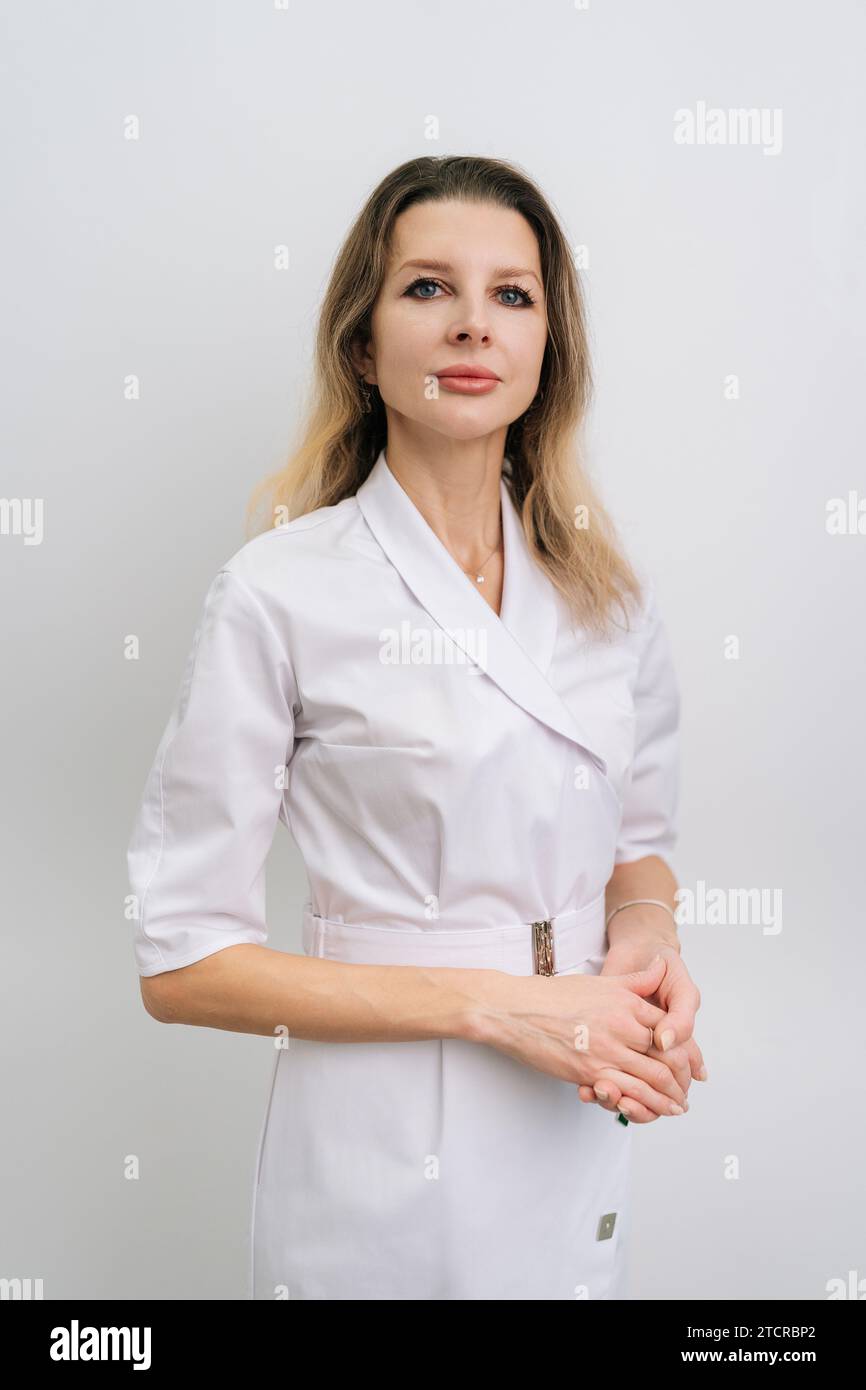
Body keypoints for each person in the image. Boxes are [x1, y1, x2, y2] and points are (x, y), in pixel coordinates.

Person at [126, 154, 705, 1301]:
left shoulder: (606, 600)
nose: (471, 326)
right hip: (378, 1141)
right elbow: (183, 962)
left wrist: (645, 949)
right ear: (361, 344)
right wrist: (501, 1002)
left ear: (546, 352)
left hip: (573, 1104)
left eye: (511, 294)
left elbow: (638, 851)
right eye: (427, 289)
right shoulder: (279, 592)